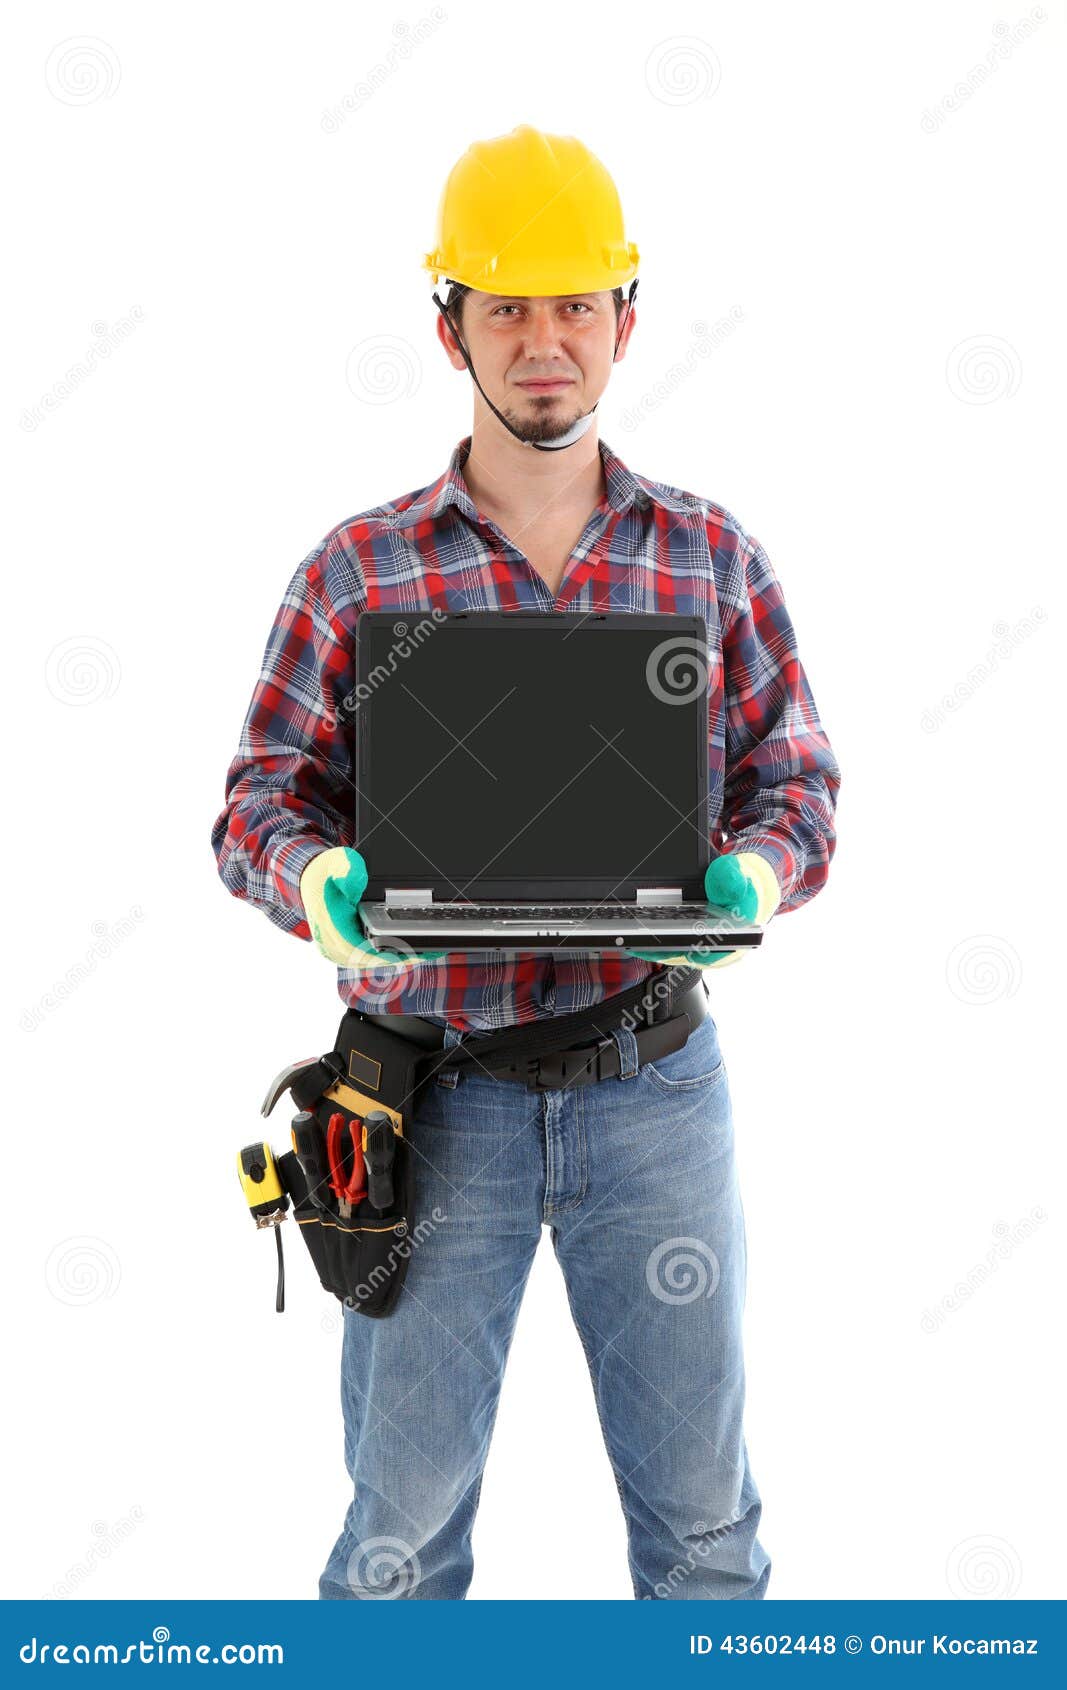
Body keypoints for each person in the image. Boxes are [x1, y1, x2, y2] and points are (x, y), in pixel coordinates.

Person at [211, 124, 841, 1600]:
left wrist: (748, 877)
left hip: (654, 1093)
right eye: (508, 306)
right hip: (435, 1099)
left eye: (574, 304)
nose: (544, 339)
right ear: (451, 331)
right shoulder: (359, 571)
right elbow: (255, 800)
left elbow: (797, 785)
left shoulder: (710, 557)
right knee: (396, 1541)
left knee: (705, 1538)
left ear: (627, 320)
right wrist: (314, 880)